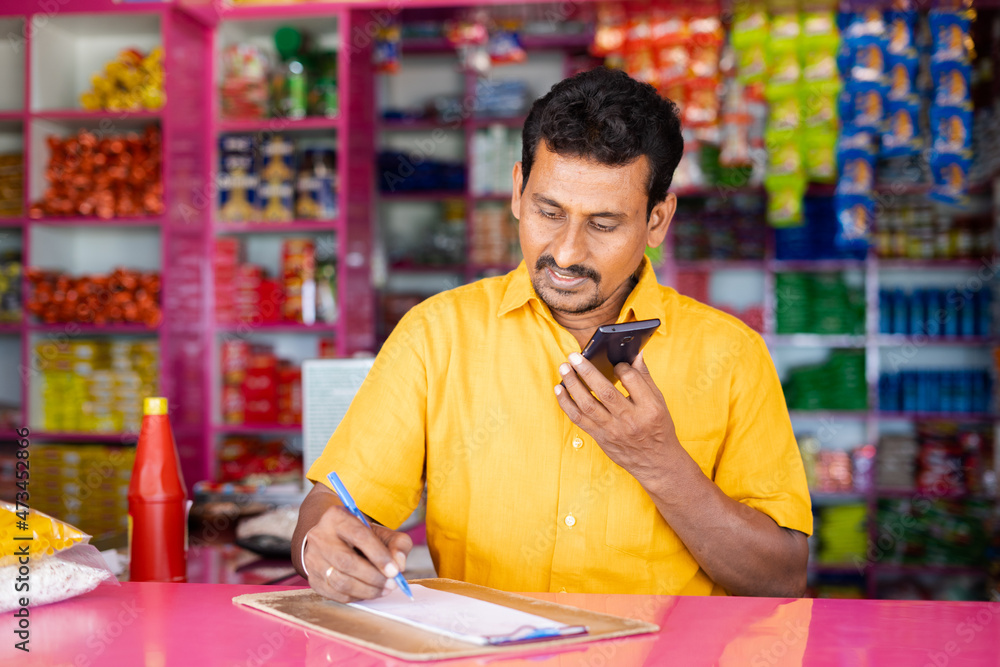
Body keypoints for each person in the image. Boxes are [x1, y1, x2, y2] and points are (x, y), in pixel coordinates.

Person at [292, 67, 812, 602]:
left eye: (603, 224)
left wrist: (661, 464)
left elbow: (780, 578)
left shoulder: (731, 355)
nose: (565, 253)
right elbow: (328, 509)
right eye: (549, 211)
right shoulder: (436, 335)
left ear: (657, 220)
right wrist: (322, 548)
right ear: (518, 191)